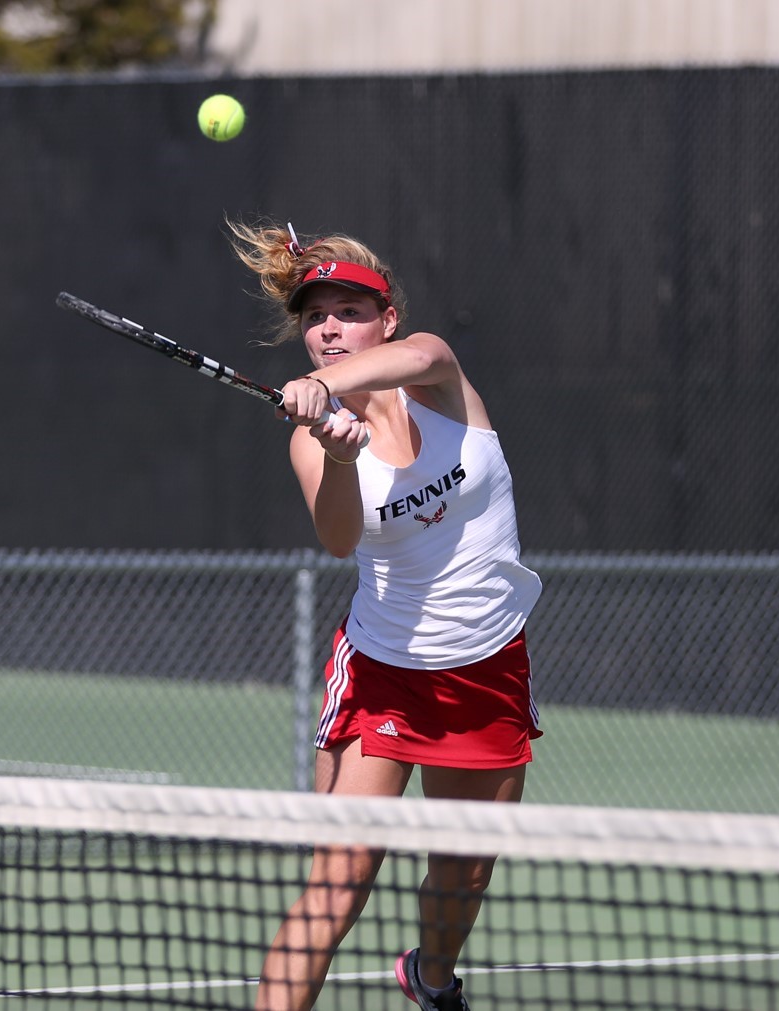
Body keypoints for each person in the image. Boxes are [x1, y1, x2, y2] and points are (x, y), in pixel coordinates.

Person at [230, 219, 543, 1011]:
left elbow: (419, 359)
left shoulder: (438, 373)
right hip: (383, 675)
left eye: (349, 310)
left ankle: (431, 979)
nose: (329, 327)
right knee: (337, 889)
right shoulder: (312, 438)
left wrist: (331, 388)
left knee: (462, 873)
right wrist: (337, 453)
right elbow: (339, 540)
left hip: (487, 667)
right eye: (315, 316)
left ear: (388, 319)